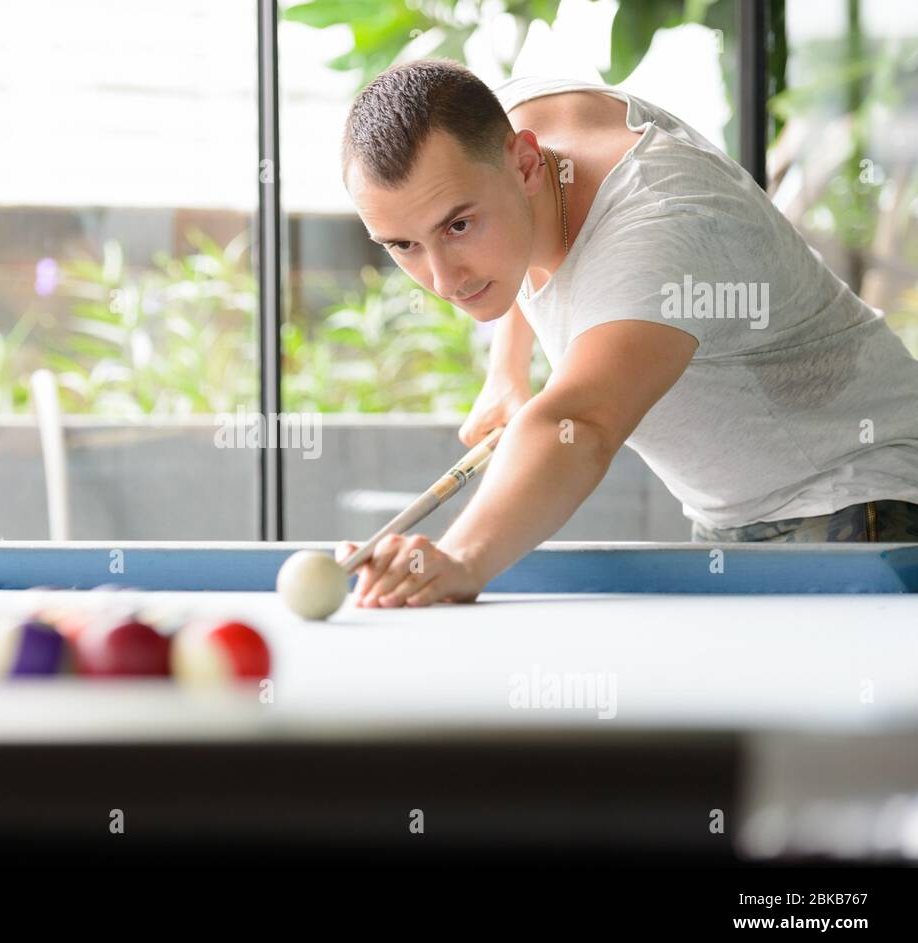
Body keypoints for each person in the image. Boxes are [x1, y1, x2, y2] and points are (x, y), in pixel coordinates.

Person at [336, 59, 918, 609]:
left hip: (861, 497)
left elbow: (580, 425)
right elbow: (507, 235)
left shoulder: (659, 229)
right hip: (732, 509)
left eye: (458, 227)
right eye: (403, 245)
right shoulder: (502, 125)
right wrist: (507, 371)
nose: (441, 278)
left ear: (526, 164)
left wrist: (460, 558)